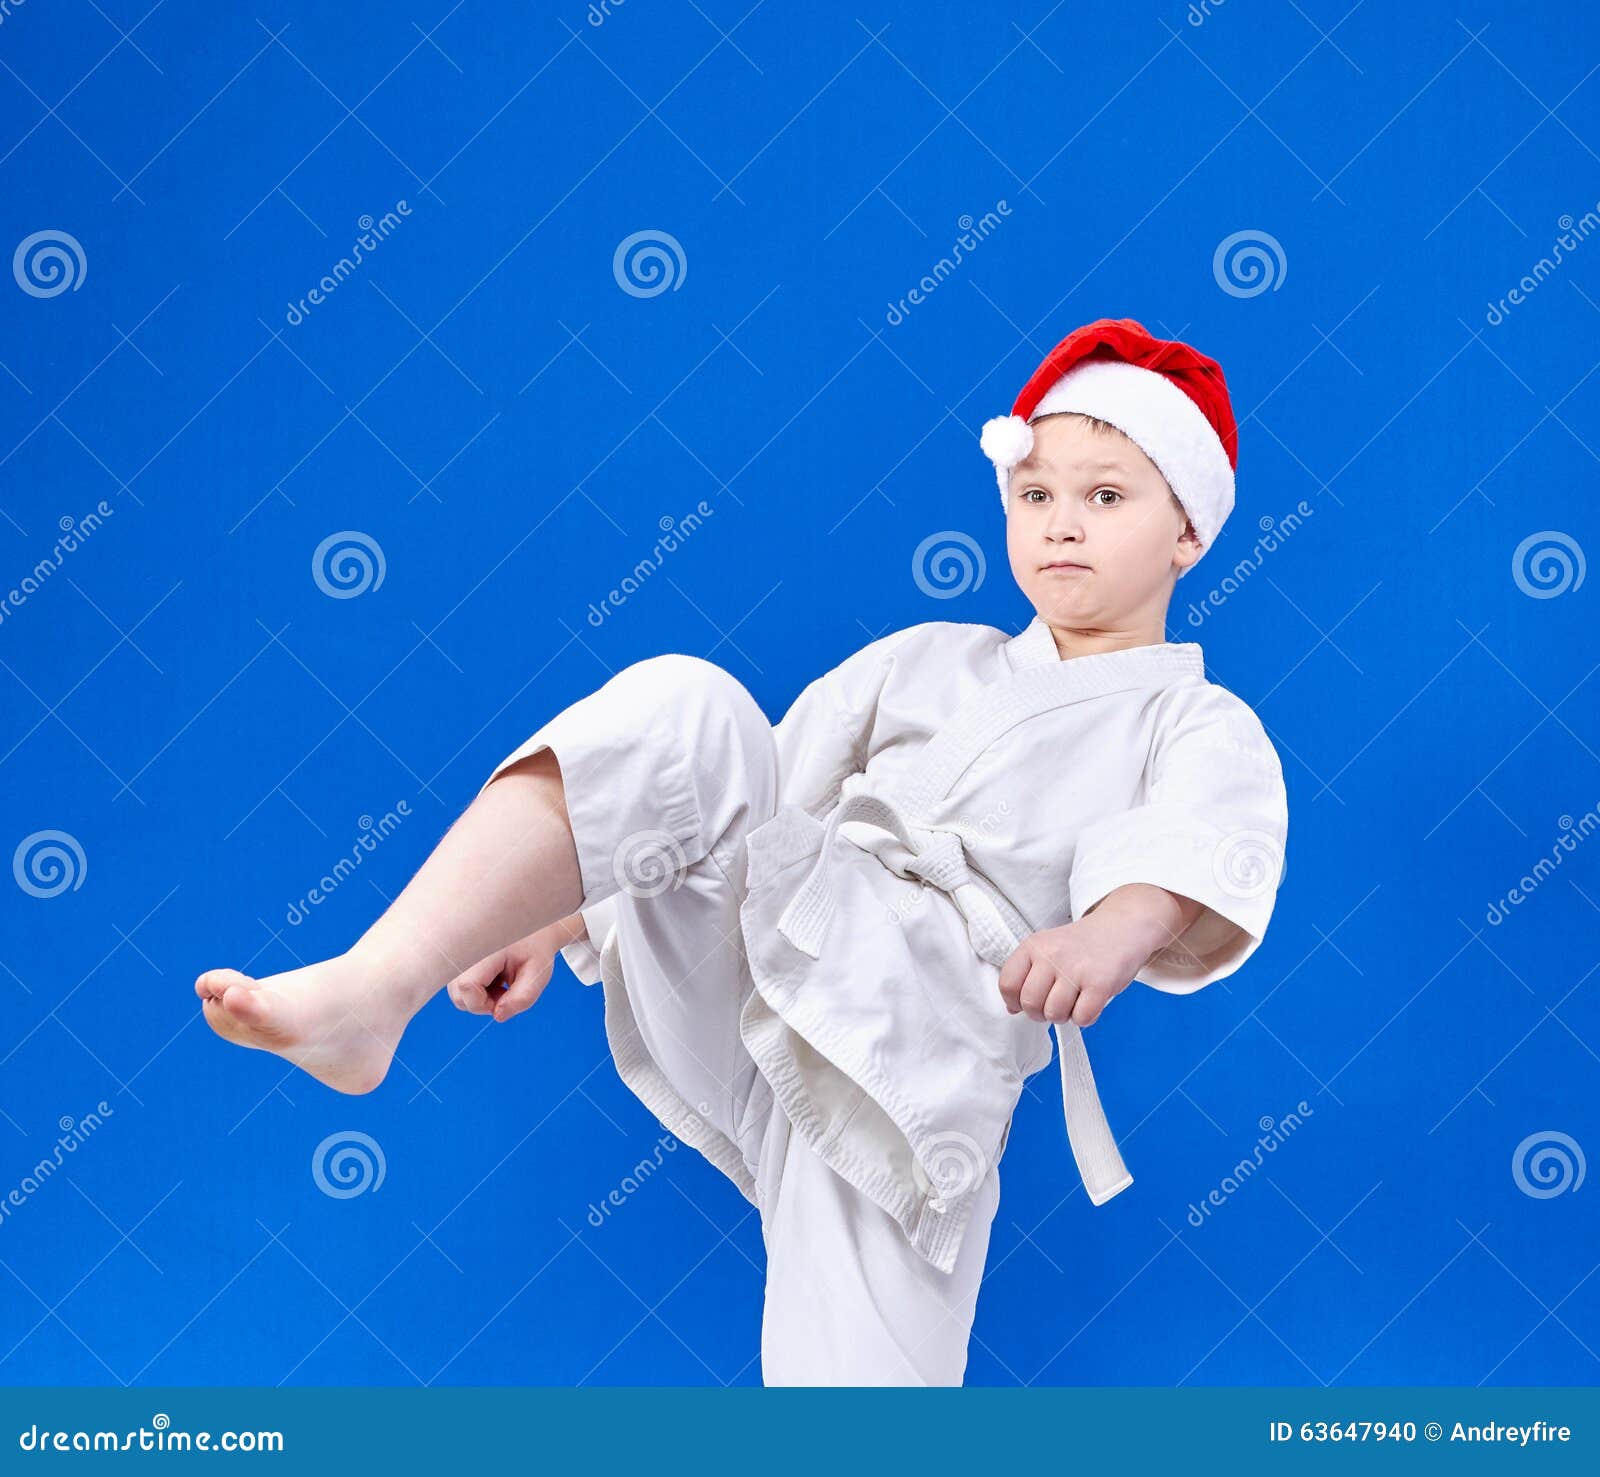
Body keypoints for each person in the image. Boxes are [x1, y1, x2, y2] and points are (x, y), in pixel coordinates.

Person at [196, 318, 1289, 1387]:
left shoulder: (1193, 721)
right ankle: (373, 988)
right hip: (767, 966)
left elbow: (1202, 832)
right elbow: (729, 798)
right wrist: (560, 912)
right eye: (1035, 493)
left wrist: (1118, 921)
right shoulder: (924, 659)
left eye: (1106, 496)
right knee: (693, 708)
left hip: (913, 1061)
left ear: (1188, 531)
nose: (1061, 523)